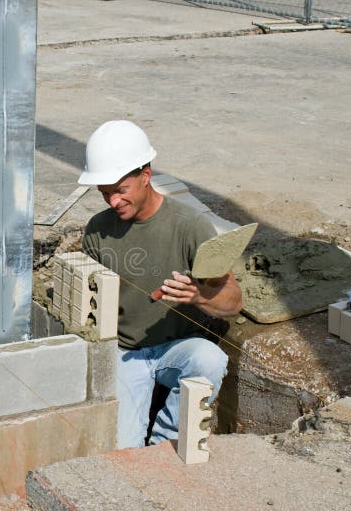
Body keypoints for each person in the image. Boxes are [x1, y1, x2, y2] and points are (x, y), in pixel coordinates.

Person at [78, 120, 242, 449]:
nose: (113, 201)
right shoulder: (97, 230)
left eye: (120, 190)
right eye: (105, 193)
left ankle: (164, 443)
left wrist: (200, 295)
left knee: (210, 359)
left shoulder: (189, 225)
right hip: (124, 353)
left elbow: (234, 301)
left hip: (175, 350)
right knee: (123, 450)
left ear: (146, 175)